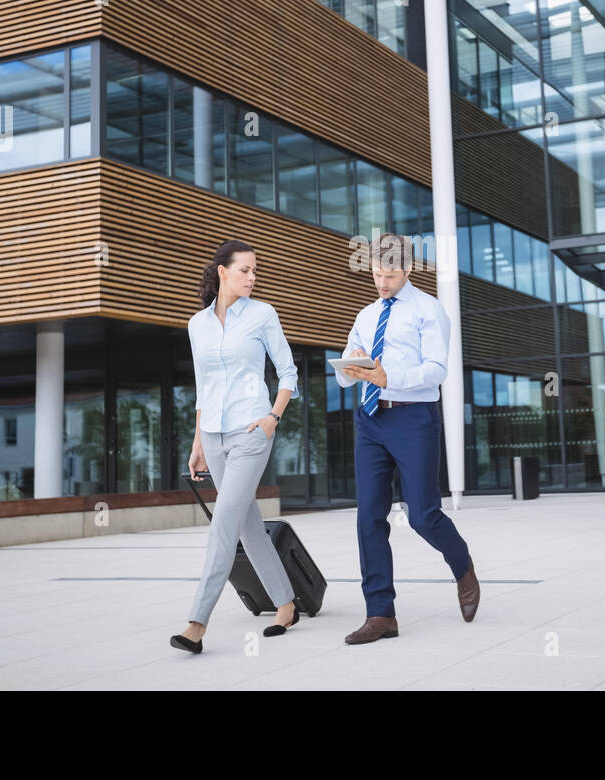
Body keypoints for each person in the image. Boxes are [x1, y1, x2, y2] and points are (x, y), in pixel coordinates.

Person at [335, 233, 478, 644]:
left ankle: (463, 566)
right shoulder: (366, 315)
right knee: (368, 517)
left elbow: (437, 369)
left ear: (409, 269)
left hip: (413, 417)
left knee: (422, 515)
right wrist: (351, 369)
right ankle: (381, 614)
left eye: (391, 275)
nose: (382, 283)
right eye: (377, 274)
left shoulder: (429, 310)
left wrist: (389, 378)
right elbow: (345, 375)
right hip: (370, 419)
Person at [171, 239, 301, 654]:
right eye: (245, 270)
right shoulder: (197, 324)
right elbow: (203, 387)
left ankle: (196, 624)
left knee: (224, 522)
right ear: (222, 272)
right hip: (213, 434)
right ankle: (286, 604)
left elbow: (288, 372)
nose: (252, 277)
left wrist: (272, 418)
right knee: (247, 525)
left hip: (251, 431)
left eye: (255, 270)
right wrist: (198, 443)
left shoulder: (263, 314)